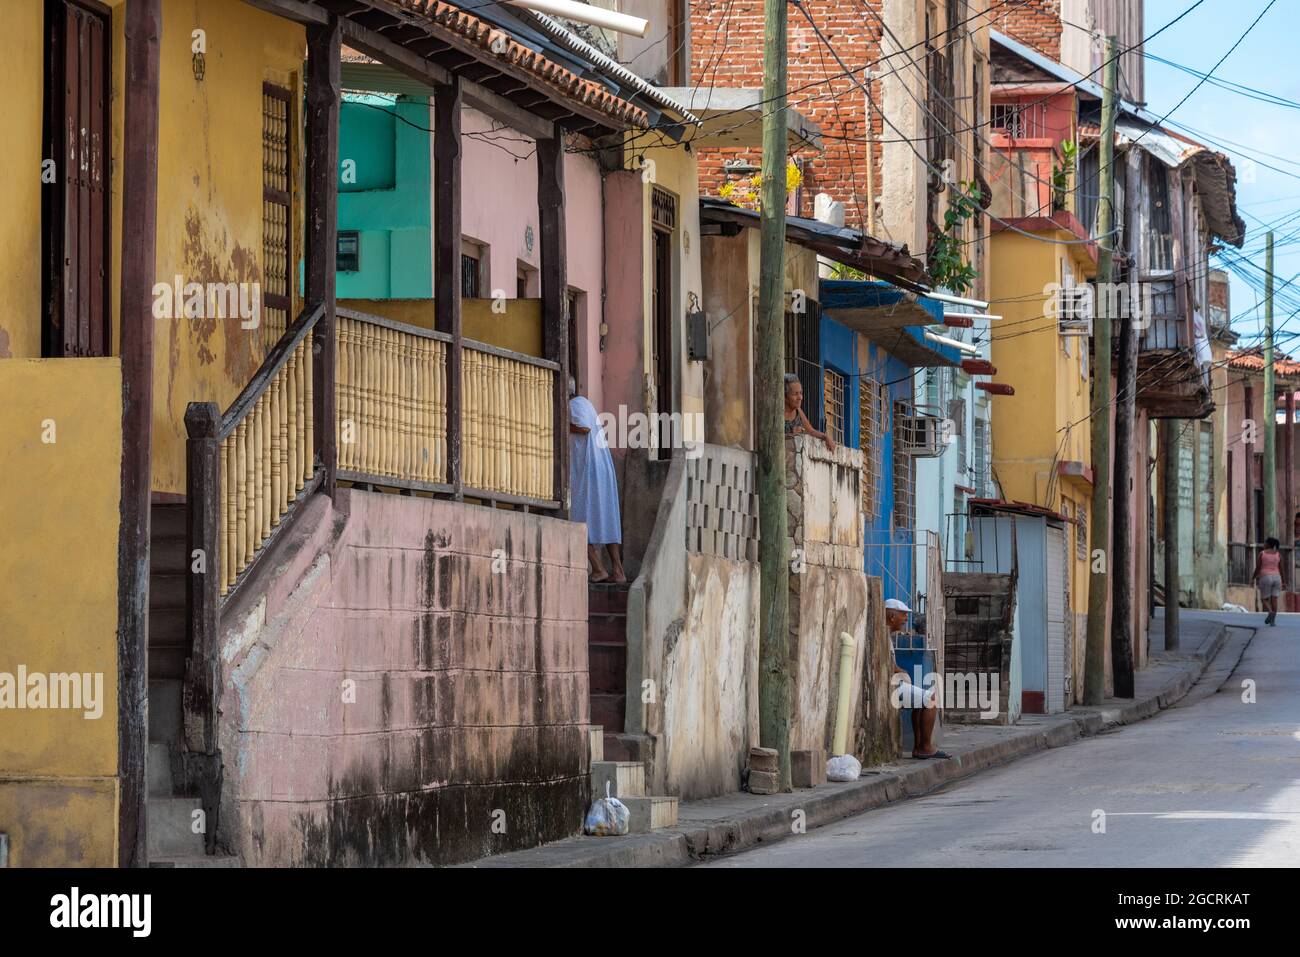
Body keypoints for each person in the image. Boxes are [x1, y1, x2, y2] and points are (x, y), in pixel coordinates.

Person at [569, 380, 626, 583]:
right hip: (600, 468)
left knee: (577, 521)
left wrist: (562, 424)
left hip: (587, 470)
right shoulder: (586, 403)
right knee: (607, 518)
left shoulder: (574, 405)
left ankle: (599, 569)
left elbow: (583, 429)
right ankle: (618, 571)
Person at [885, 598, 950, 760]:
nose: (906, 619)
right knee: (932, 700)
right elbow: (885, 664)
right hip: (890, 687)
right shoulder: (882, 636)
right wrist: (900, 671)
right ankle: (926, 747)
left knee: (921, 700)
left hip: (895, 683)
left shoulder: (887, 635)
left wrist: (901, 671)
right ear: (892, 616)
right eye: (903, 615)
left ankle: (919, 747)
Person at [783, 374, 836, 451]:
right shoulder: (776, 412)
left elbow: (810, 431)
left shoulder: (798, 411)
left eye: (801, 393)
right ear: (785, 397)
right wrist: (789, 433)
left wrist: (825, 437)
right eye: (795, 394)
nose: (800, 398)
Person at [1253, 537, 1285, 627]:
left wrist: (1253, 577)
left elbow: (1258, 568)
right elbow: (1282, 569)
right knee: (1274, 599)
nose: (1264, 544)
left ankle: (1270, 611)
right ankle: (1273, 621)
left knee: (1264, 599)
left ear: (1268, 544)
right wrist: (1284, 581)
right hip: (1277, 578)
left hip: (1265, 577)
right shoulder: (1278, 554)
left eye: (1265, 543)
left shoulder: (1262, 554)